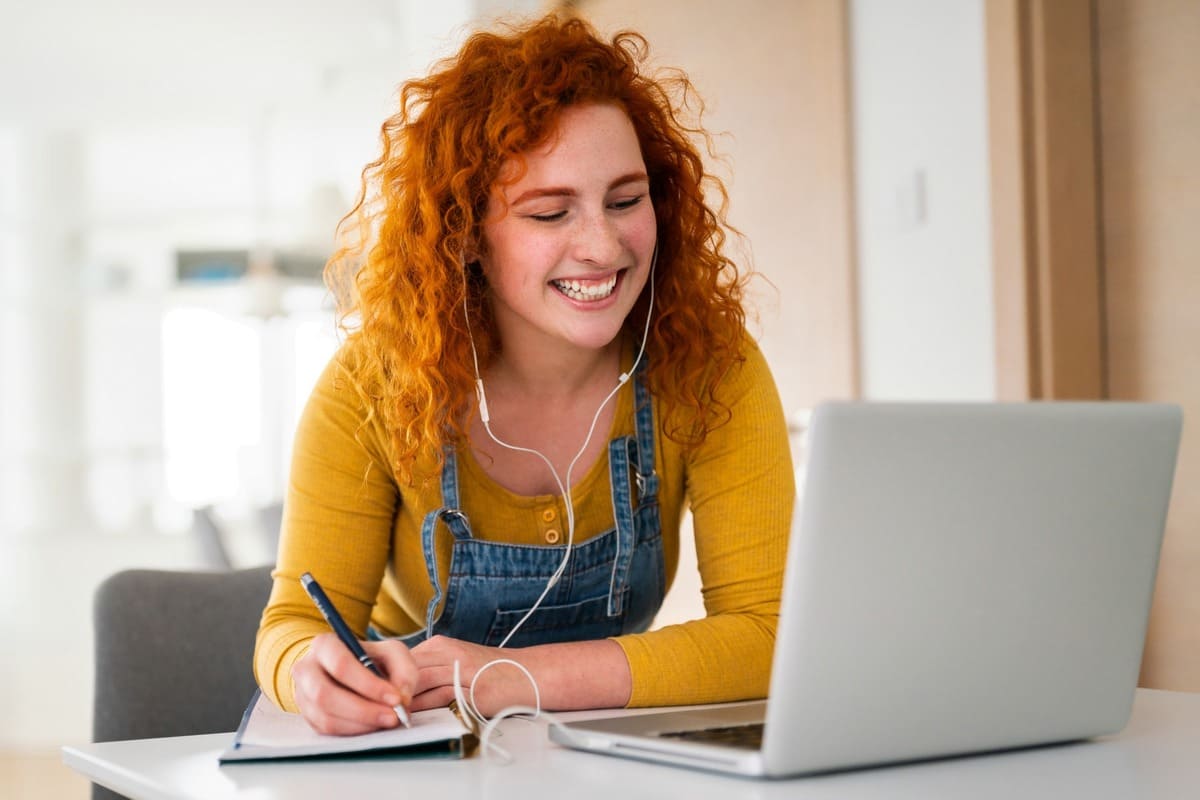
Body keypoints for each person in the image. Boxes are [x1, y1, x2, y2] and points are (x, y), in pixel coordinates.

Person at [254, 12, 794, 736]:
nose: (602, 245)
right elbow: (290, 628)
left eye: (625, 201)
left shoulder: (708, 362)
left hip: (605, 755)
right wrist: (308, 674)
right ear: (467, 234)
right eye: (549, 213)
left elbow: (769, 634)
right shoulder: (370, 387)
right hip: (410, 750)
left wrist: (509, 677)